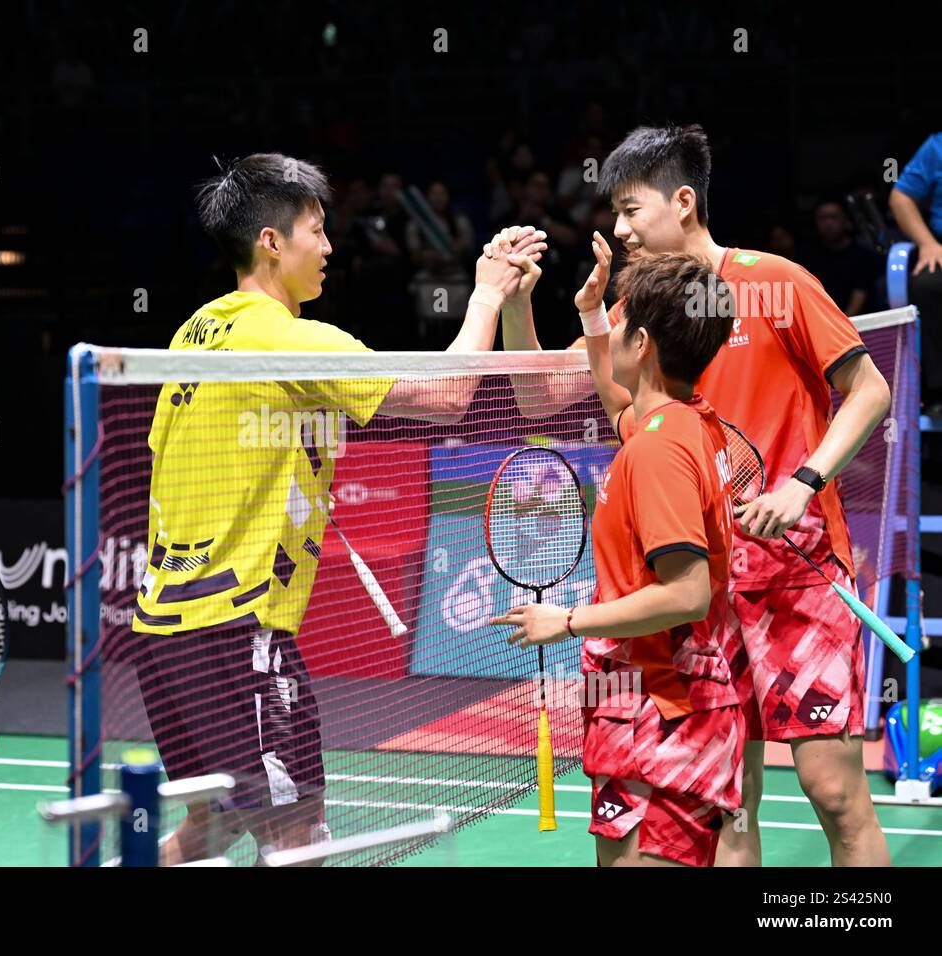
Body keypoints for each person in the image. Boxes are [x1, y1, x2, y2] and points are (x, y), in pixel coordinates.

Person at [134, 153, 545, 864]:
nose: (328, 248)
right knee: (299, 841)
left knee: (210, 829)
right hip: (240, 632)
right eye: (316, 232)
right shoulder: (289, 338)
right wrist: (484, 296)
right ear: (271, 241)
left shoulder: (195, 331)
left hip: (167, 632)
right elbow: (450, 398)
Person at [507, 124, 894, 866]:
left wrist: (803, 482)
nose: (618, 230)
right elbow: (534, 397)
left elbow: (868, 388)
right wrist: (521, 302)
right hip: (704, 589)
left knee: (834, 791)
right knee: (731, 808)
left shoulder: (773, 282)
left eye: (630, 210)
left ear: (683, 201)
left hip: (795, 571)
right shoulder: (639, 308)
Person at [493, 251, 741, 867]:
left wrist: (567, 621)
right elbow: (617, 401)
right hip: (652, 702)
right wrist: (594, 313)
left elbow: (686, 594)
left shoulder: (657, 452)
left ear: (645, 343)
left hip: (663, 710)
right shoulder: (684, 423)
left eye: (620, 321)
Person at [889, 131, 942, 414]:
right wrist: (928, 243)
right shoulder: (937, 146)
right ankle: (937, 392)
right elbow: (901, 197)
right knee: (927, 285)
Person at [801, 199, 878, 317]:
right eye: (822, 218)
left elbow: (859, 296)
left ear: (846, 221)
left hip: (856, 321)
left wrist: (841, 326)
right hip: (821, 319)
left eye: (833, 217)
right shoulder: (809, 256)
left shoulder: (862, 255)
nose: (828, 223)